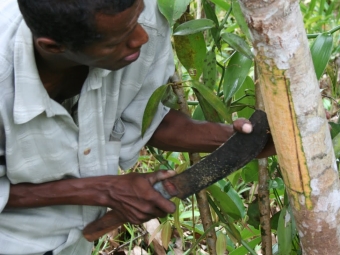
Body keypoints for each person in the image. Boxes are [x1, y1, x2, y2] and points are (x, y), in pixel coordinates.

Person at [0, 0, 273, 254]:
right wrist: (104, 189)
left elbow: (147, 117)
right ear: (53, 47)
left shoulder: (137, 15)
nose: (141, 37)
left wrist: (239, 141)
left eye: (138, 18)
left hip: (78, 242)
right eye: (118, 40)